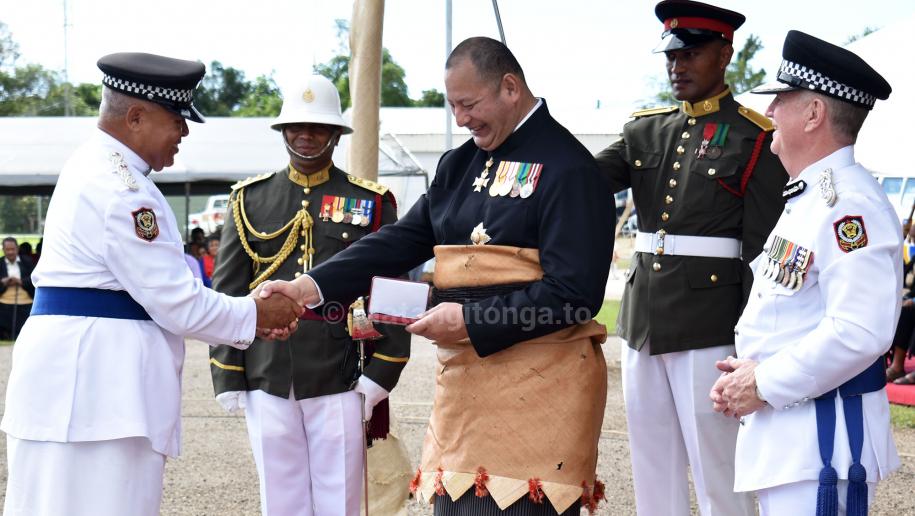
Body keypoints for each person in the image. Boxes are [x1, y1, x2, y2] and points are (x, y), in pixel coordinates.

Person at [261, 37, 613, 515]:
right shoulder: (457, 165)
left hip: (542, 396)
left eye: (468, 104)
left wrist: (471, 323)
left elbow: (574, 295)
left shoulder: (569, 167)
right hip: (465, 395)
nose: (460, 119)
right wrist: (310, 286)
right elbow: (400, 240)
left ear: (510, 88)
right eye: (452, 106)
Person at [0, 52, 302, 516]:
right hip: (99, 399)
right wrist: (257, 314)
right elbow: (178, 304)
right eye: (177, 119)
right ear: (136, 117)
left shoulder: (96, 169)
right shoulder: (122, 191)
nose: (183, 132)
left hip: (83, 392)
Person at [593, 1, 788, 514]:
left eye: (692, 54)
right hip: (643, 320)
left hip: (712, 324)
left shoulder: (755, 137)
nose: (677, 66)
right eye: (671, 56)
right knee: (651, 462)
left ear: (725, 54)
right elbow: (581, 185)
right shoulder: (645, 129)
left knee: (717, 466)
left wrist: (756, 343)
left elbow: (762, 250)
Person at [710, 30, 899, 515]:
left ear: (814, 113)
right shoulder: (810, 199)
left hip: (823, 447)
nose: (770, 112)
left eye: (783, 99)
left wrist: (763, 381)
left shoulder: (847, 204)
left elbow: (859, 330)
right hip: (794, 443)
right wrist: (749, 372)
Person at [208, 74, 411, 516]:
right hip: (266, 368)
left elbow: (393, 293)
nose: (305, 135)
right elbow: (227, 291)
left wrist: (381, 374)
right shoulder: (249, 199)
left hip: (340, 371)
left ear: (336, 134)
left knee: (340, 499)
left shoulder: (371, 202)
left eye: (318, 127)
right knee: (279, 499)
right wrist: (227, 370)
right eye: (296, 126)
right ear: (282, 131)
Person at [0, 237, 34, 340]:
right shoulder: (0, 263)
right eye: (7, 249)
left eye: (13, 249)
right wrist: (3, 282)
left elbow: (34, 278)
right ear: (3, 250)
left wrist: (20, 281)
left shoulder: (27, 261)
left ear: (17, 249)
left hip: (25, 299)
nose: (10, 252)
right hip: (4, 299)